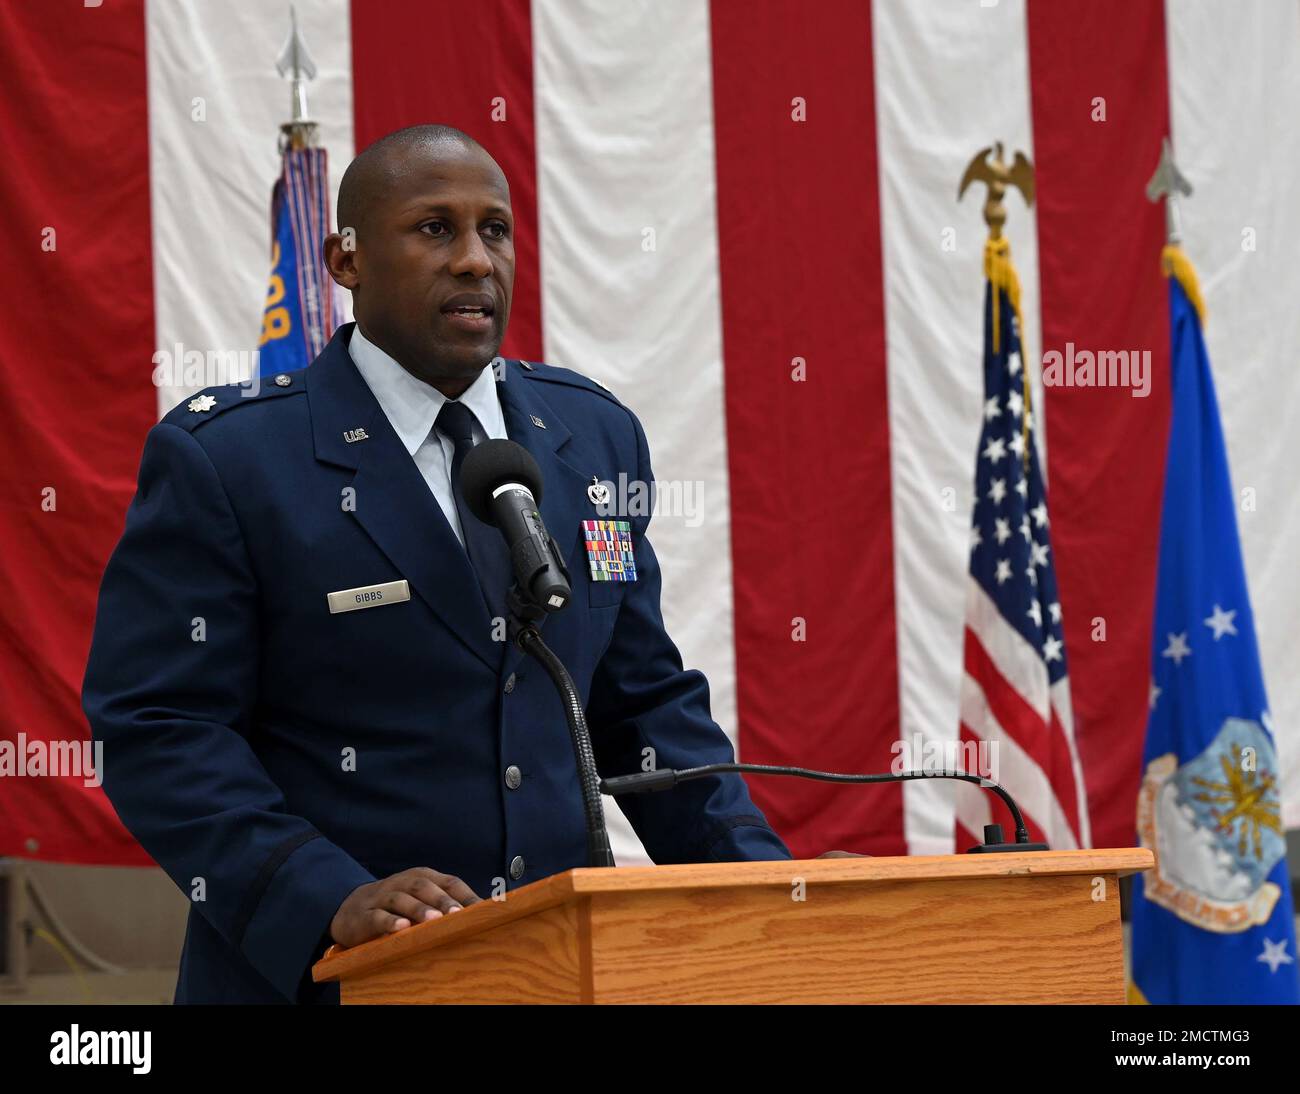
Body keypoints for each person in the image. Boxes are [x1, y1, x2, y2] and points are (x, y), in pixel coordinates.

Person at [82, 124, 799, 1005]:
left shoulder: (592, 439)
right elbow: (159, 728)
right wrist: (324, 893)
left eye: (493, 231)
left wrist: (772, 891)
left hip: (554, 972)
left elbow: (642, 704)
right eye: (434, 229)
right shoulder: (233, 461)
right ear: (345, 260)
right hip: (330, 980)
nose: (473, 260)